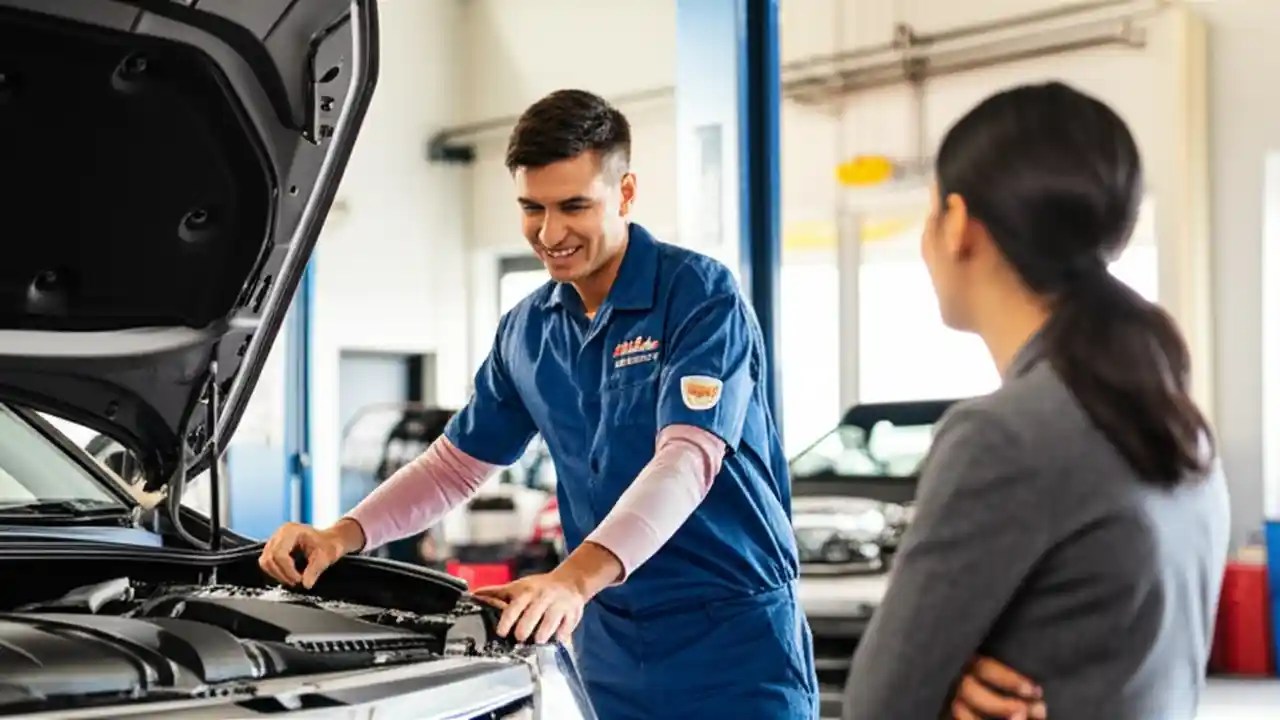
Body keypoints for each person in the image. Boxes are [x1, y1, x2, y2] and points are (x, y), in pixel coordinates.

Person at [258, 88, 820, 719]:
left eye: (573, 206)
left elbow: (687, 459)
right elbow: (454, 466)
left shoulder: (698, 296)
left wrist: (570, 580)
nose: (549, 234)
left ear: (625, 194)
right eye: (532, 208)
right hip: (608, 639)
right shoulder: (528, 330)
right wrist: (343, 535)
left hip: (731, 640)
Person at [842, 81, 1232, 720]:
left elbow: (878, 707)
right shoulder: (1170, 417)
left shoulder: (1005, 436)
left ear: (959, 225)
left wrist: (935, 690)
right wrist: (949, 681)